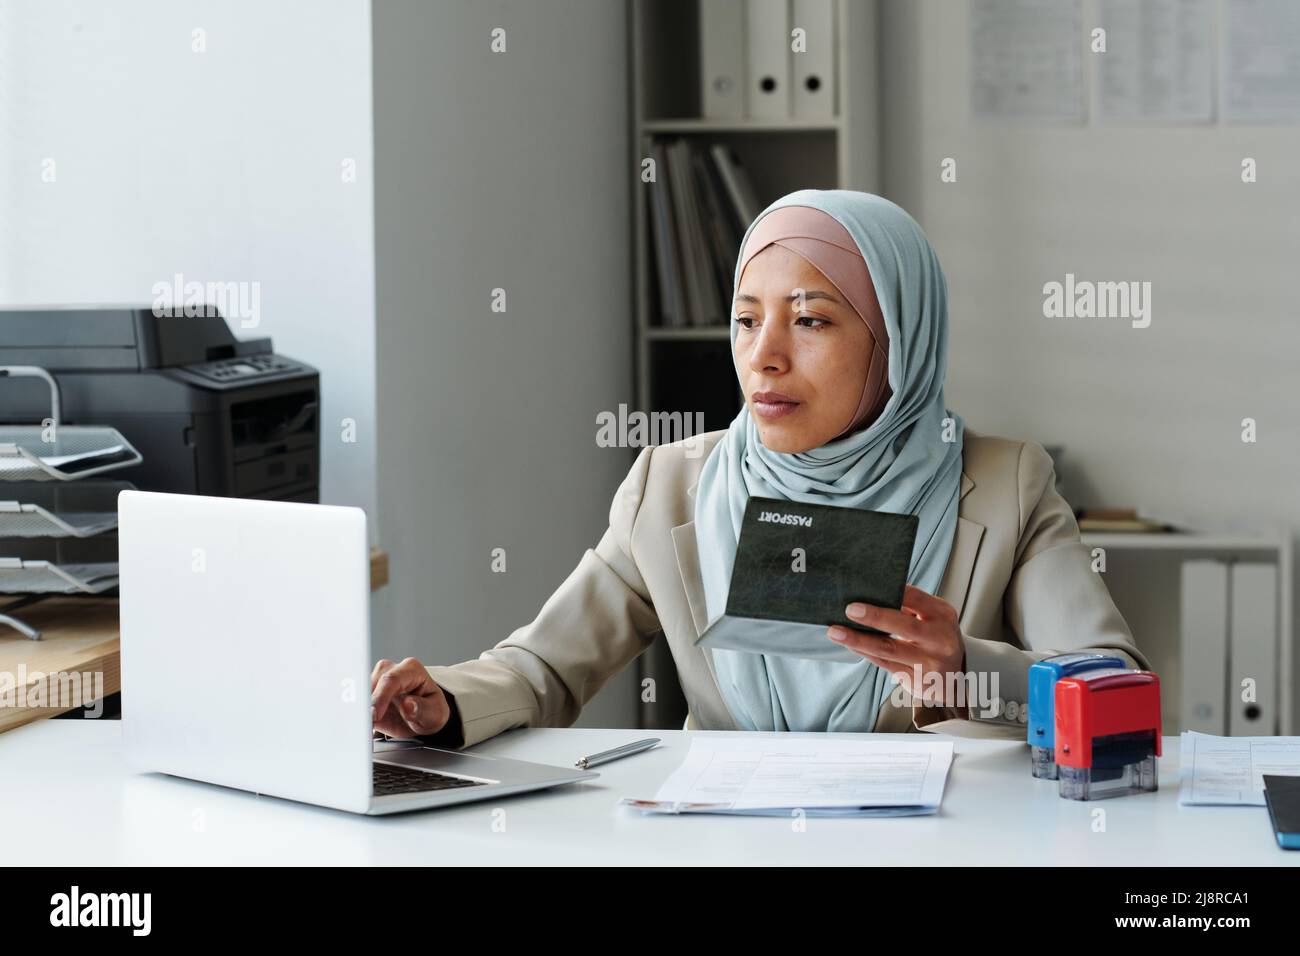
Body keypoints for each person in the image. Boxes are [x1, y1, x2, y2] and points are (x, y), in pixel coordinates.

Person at [370, 188, 1151, 747]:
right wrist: (445, 700)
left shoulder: (1007, 484)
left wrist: (966, 669)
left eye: (811, 320)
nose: (764, 357)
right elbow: (544, 668)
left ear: (902, 345)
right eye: (746, 320)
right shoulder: (671, 481)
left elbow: (1120, 693)